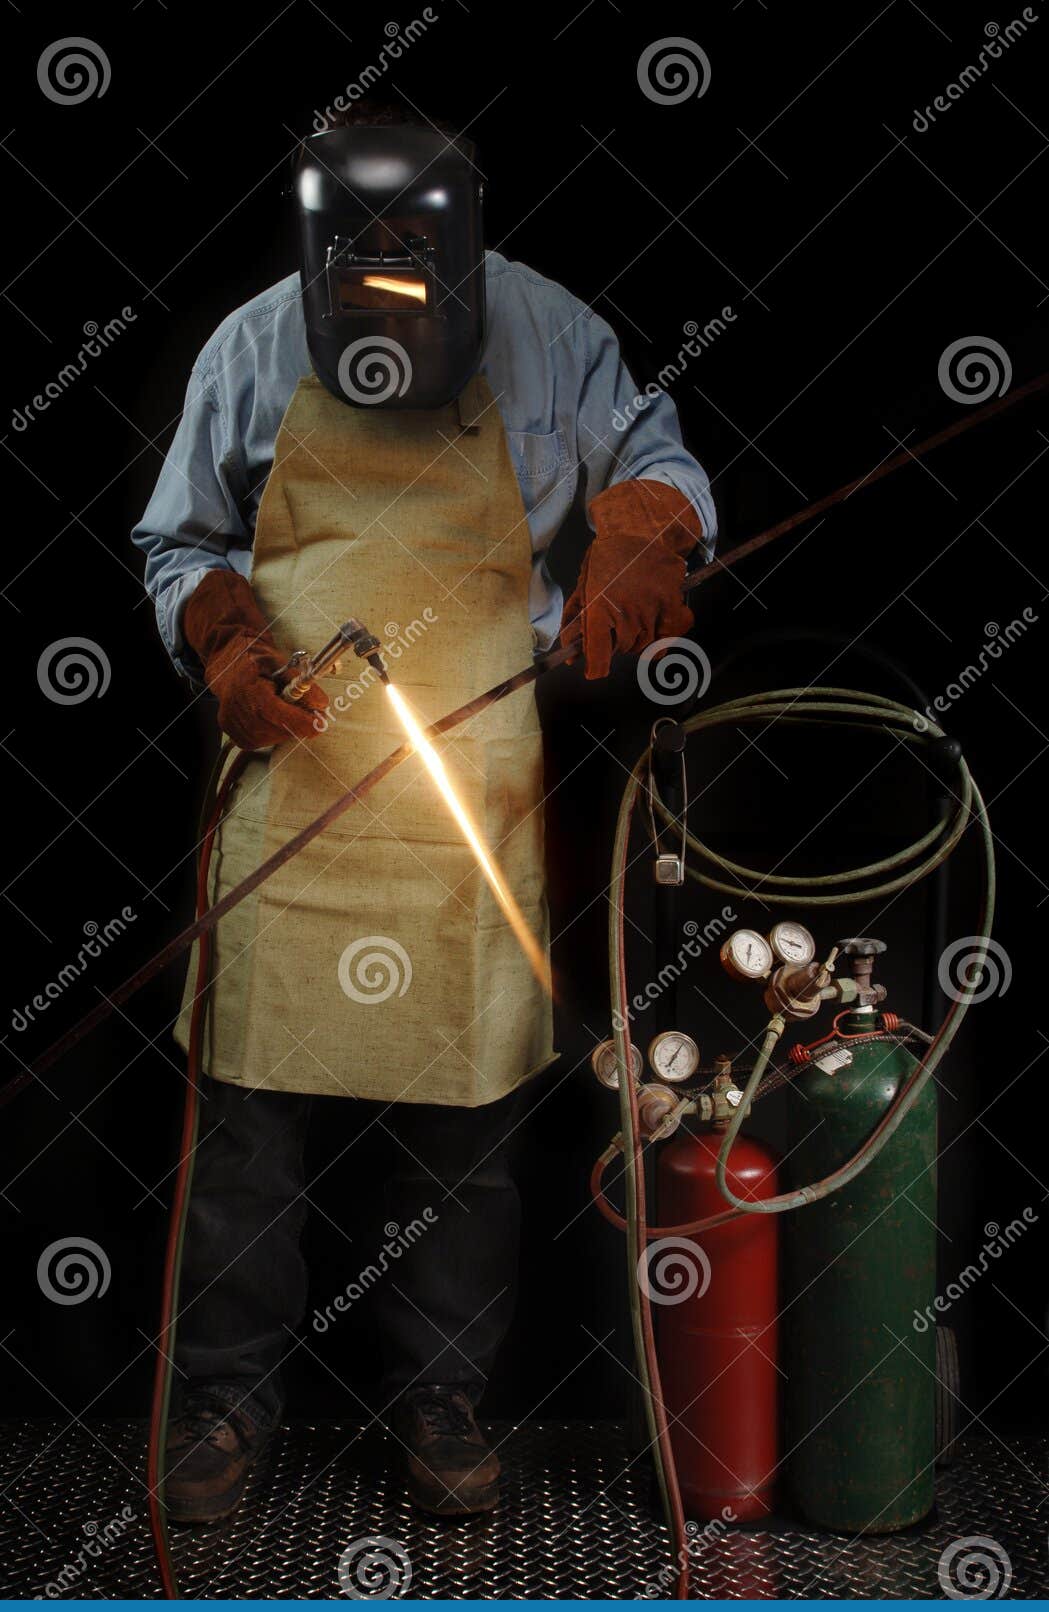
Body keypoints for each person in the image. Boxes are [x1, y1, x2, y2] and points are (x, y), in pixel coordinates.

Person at [134, 100, 715, 1524]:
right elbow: (180, 538)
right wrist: (221, 637)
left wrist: (639, 535)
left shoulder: (549, 333)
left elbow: (659, 455)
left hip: (470, 788)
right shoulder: (252, 346)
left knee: (465, 1129)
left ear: (462, 251)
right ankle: (222, 1404)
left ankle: (444, 1398)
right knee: (249, 1127)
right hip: (297, 784)